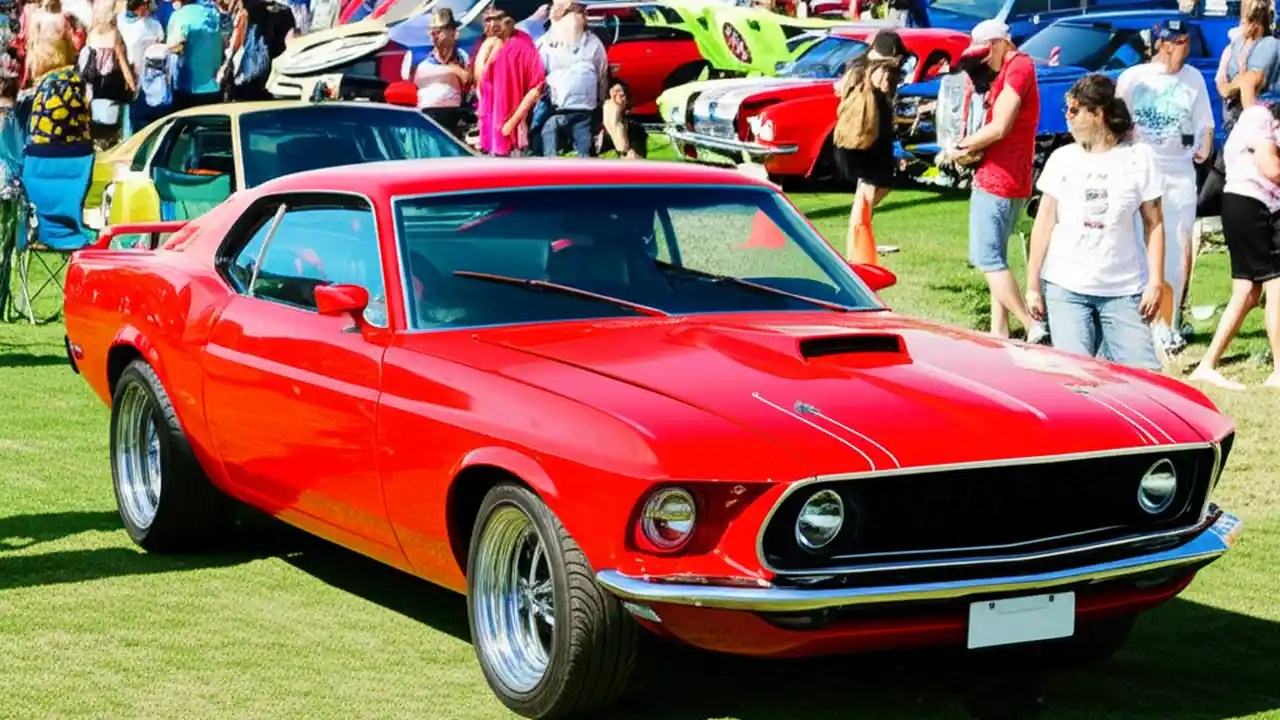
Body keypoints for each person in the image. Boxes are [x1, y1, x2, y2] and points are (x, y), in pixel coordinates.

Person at [1025, 74, 1166, 372]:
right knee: (1074, 376)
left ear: (1098, 113)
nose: (1068, 118)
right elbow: (1043, 223)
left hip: (1124, 289)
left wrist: (1155, 282)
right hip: (1066, 286)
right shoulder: (1062, 159)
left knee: (1144, 375)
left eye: (1075, 111)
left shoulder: (1139, 159)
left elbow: (1154, 223)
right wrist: (1032, 285)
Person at [1117, 18, 1215, 356]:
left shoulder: (1194, 79)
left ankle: (1168, 324)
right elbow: (1118, 123)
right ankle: (1134, 320)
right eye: (1177, 42)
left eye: (1187, 41)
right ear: (1162, 45)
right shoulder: (1133, 78)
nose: (1183, 49)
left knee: (1176, 247)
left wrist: (1199, 145)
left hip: (1178, 175)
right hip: (1139, 172)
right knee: (1136, 247)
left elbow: (1203, 122)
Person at [947, 19, 1048, 344]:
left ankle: (1032, 327)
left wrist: (960, 148)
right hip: (1010, 177)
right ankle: (999, 334)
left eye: (987, 50)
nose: (984, 58)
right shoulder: (1012, 69)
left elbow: (1001, 126)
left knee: (987, 260)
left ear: (1002, 43)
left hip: (998, 179)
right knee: (998, 259)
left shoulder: (1019, 66)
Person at [1189, 100, 1280, 389]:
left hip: (1242, 205)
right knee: (1276, 285)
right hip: (1253, 204)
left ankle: (1207, 364)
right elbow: (1271, 168)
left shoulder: (1260, 121)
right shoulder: (1259, 117)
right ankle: (1279, 371)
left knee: (1247, 291)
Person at [833, 30, 906, 260]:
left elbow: (838, 90)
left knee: (866, 196)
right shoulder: (882, 71)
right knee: (867, 197)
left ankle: (858, 245)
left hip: (853, 140)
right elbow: (884, 91)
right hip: (872, 142)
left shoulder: (856, 67)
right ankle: (858, 252)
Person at [536, 1, 606, 157]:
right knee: (549, 131)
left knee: (584, 148)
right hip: (556, 108)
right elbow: (538, 73)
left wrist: (601, 101)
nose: (582, 17)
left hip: (585, 110)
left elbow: (602, 74)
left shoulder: (593, 43)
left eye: (582, 13)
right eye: (578, 13)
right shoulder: (546, 43)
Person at [476, 13, 543, 157]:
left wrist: (511, 123)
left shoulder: (523, 45)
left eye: (497, 19)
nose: (493, 24)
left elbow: (536, 87)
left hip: (511, 134)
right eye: (488, 20)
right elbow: (480, 83)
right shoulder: (487, 45)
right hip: (489, 132)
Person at [401, 7, 469, 138]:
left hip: (453, 117)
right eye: (433, 31)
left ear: (453, 32)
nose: (435, 34)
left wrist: (454, 70)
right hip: (424, 117)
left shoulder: (462, 56)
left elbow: (470, 82)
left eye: (440, 30)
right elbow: (407, 86)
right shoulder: (417, 57)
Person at [1215, 0, 1279, 131]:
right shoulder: (1232, 48)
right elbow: (1222, 88)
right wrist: (1236, 83)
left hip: (1261, 123)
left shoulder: (1271, 45)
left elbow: (1248, 81)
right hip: (1239, 123)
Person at [78, 0, 133, 147]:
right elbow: (122, 62)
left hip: (93, 83)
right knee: (112, 119)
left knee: (97, 120)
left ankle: (98, 143)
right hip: (111, 83)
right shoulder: (114, 35)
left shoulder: (91, 35)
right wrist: (132, 84)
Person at [115, 0, 163, 135]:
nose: (149, 7)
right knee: (131, 114)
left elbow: (160, 44)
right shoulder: (121, 21)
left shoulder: (153, 23)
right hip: (130, 74)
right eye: (146, 4)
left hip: (150, 76)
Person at [165, 0, 222, 108]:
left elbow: (174, 46)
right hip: (212, 84)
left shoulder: (179, 16)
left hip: (187, 85)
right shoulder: (213, 14)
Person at [597, 79, 645, 158]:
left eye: (622, 94)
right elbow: (614, 126)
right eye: (616, 93)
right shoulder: (609, 107)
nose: (620, 95)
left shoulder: (629, 120)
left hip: (623, 143)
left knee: (637, 129)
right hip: (606, 140)